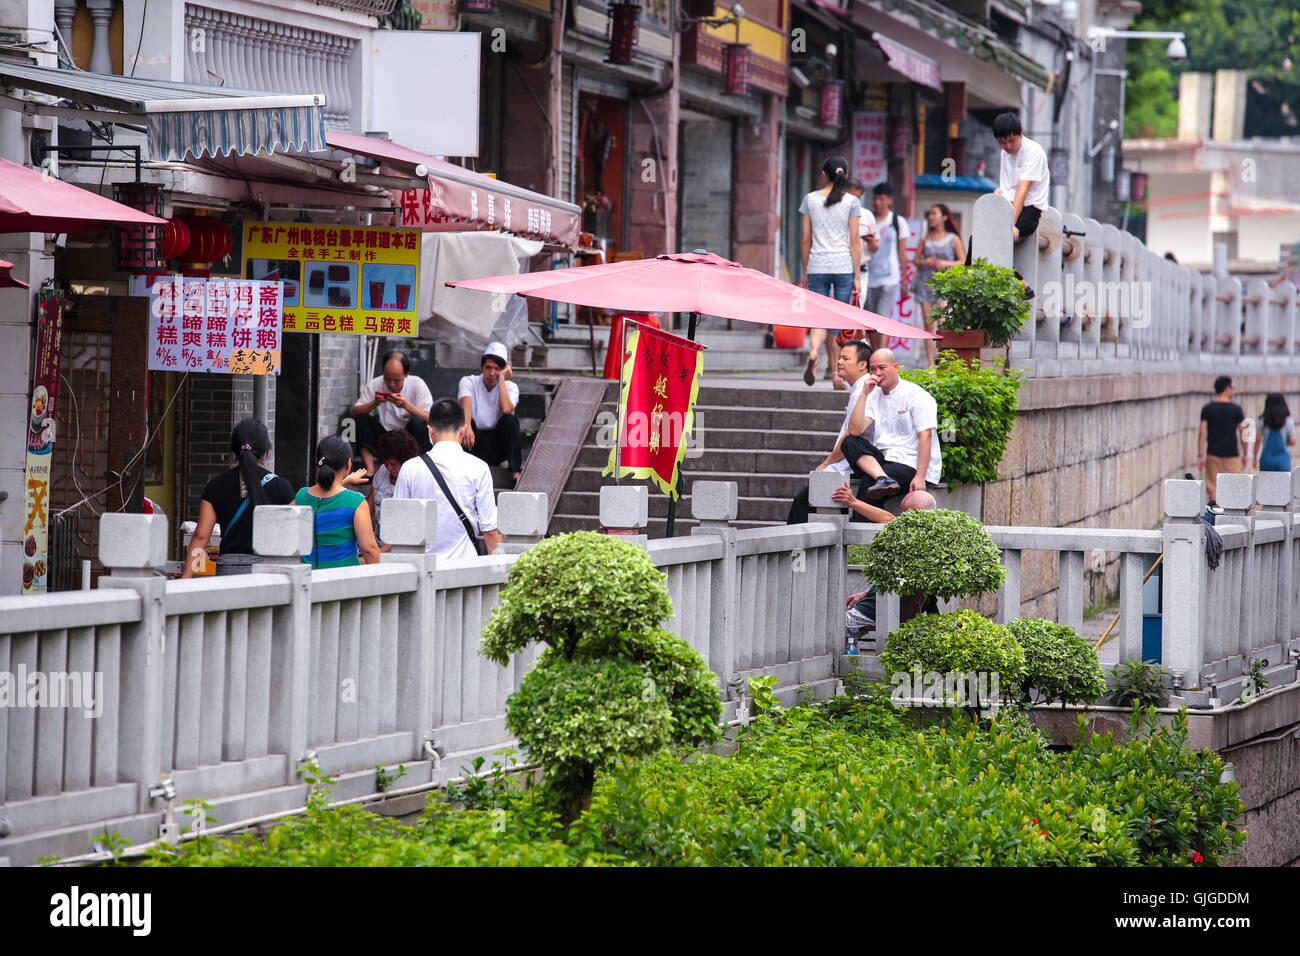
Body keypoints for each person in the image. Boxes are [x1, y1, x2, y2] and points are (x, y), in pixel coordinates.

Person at [182, 419, 296, 578]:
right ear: (265, 452)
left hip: (227, 572)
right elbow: (290, 537)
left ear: (234, 451)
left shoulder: (216, 485)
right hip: (265, 573)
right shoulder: (281, 487)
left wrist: (186, 577)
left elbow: (201, 536)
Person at [393, 398, 503, 559]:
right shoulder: (479, 467)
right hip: (465, 566)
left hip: (422, 569)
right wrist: (502, 572)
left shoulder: (410, 468)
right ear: (463, 430)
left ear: (430, 430)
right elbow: (490, 530)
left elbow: (399, 523)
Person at [786, 340, 878, 524]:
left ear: (862, 365)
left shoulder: (865, 389)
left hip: (851, 466)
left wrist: (826, 464)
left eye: (845, 358)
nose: (839, 362)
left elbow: (852, 433)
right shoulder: (859, 388)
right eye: (838, 357)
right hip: (849, 465)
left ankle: (797, 552)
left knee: (802, 503)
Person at [835, 489, 937, 646]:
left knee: (830, 627)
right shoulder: (934, 539)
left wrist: (852, 502)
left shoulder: (916, 537)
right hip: (881, 603)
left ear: (915, 512)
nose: (901, 519)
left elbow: (889, 519)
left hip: (879, 608)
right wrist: (864, 594)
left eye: (904, 514)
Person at [841, 349, 942, 501]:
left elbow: (926, 436)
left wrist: (920, 477)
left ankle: (879, 483)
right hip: (883, 460)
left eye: (882, 368)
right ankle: (882, 478)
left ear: (895, 367)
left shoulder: (916, 394)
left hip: (910, 462)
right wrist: (863, 394)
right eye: (873, 369)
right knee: (849, 441)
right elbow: (855, 430)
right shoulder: (873, 394)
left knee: (869, 483)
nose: (877, 373)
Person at [799, 155, 863, 389]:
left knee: (819, 319)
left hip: (817, 265)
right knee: (838, 320)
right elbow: (855, 242)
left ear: (823, 174)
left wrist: (806, 269)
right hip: (843, 266)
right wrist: (857, 276)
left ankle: (814, 352)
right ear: (844, 176)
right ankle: (838, 374)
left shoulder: (810, 199)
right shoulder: (851, 202)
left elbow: (805, 239)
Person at [966, 112, 1049, 264]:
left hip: (1029, 210)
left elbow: (1022, 189)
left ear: (1021, 134)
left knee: (1000, 238)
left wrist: (1011, 224)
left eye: (1012, 141)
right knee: (976, 239)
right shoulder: (1005, 153)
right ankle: (966, 282)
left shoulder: (1033, 151)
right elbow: (1007, 187)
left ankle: (1019, 283)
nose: (1008, 146)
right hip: (1009, 206)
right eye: (1002, 143)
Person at [297, 435, 380, 569]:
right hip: (343, 582)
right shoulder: (355, 501)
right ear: (348, 464)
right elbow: (369, 549)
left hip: (306, 580)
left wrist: (344, 481)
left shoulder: (301, 496)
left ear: (318, 462)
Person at [351, 350, 434, 475]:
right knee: (362, 420)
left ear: (406, 375)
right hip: (385, 436)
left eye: (396, 380)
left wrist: (407, 406)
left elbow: (431, 419)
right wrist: (374, 403)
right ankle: (370, 470)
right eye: (387, 379)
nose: (391, 384)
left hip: (408, 437)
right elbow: (354, 412)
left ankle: (415, 469)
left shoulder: (417, 384)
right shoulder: (376, 383)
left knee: (418, 423)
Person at [458, 341, 523, 482]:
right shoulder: (469, 381)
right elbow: (466, 401)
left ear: (504, 370)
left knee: (510, 420)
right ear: (481, 367)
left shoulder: (511, 387)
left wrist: (501, 380)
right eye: (488, 368)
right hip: (474, 440)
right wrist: (467, 425)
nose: (491, 373)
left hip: (497, 443)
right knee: (465, 421)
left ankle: (515, 474)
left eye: (497, 369)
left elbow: (506, 409)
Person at [912, 204, 965, 367]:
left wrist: (944, 263)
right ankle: (930, 364)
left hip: (945, 284)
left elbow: (962, 261)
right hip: (925, 284)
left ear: (944, 217)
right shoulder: (925, 237)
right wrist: (924, 262)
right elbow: (915, 260)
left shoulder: (953, 238)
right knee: (928, 324)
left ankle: (944, 360)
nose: (931, 217)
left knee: (943, 321)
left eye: (934, 214)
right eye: (930, 214)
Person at [864, 182, 912, 353]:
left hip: (889, 278)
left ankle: (879, 355)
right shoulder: (867, 220)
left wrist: (905, 281)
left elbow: (902, 254)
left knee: (882, 319)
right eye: (876, 199)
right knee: (869, 321)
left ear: (889, 200)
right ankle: (875, 354)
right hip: (867, 277)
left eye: (881, 199)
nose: (877, 202)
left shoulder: (897, 222)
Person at [1198, 375, 1249, 505]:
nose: (1233, 390)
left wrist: (1200, 455)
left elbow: (1202, 433)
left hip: (1212, 454)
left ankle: (1213, 518)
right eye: (1232, 387)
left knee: (1213, 490)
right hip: (1231, 455)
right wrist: (1246, 454)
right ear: (1227, 388)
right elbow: (1243, 433)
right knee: (1233, 488)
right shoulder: (1236, 409)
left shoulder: (1207, 409)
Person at [371, 428, 420, 548]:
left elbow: (407, 529)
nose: (388, 467)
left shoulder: (414, 480)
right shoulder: (382, 471)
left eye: (393, 464)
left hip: (400, 549)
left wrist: (378, 555)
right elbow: (368, 508)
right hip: (378, 544)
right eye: (385, 462)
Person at [1255, 392, 1296, 473]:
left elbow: (1257, 441)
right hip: (1283, 461)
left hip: (1266, 461)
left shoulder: (1262, 421)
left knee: (1265, 484)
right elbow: (1292, 442)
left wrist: (1254, 458)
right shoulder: (1288, 422)